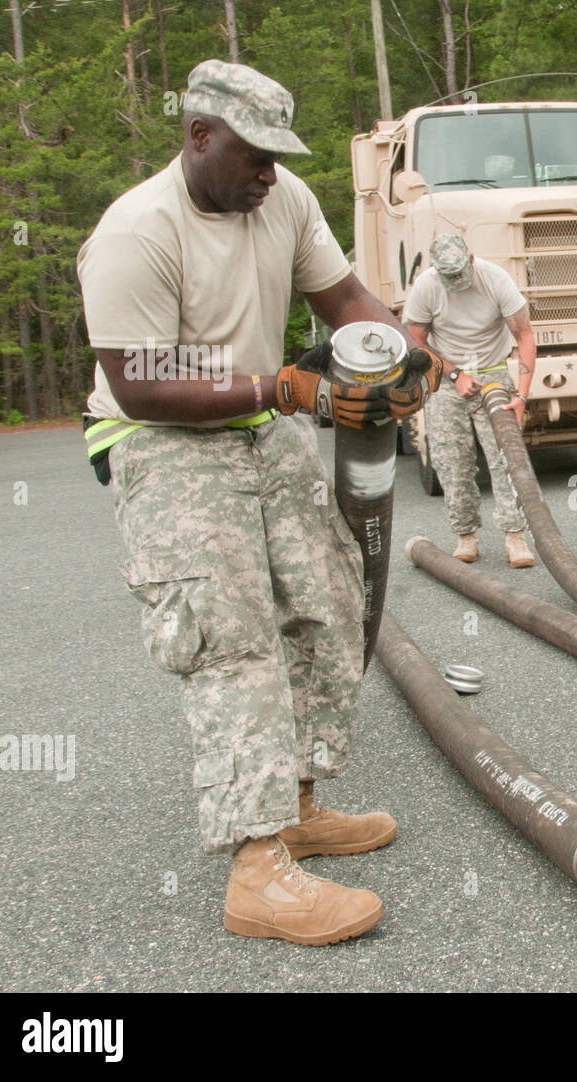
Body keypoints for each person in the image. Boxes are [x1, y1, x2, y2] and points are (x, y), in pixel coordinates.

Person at [78, 59, 432, 946]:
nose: (270, 172)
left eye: (281, 155)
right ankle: (256, 867)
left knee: (328, 599)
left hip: (261, 417)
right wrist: (289, 392)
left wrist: (403, 353)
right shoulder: (137, 231)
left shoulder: (283, 200)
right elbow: (142, 385)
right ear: (200, 136)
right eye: (254, 154)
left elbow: (343, 296)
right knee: (231, 632)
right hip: (162, 437)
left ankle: (300, 801)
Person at [406, 233, 538, 567]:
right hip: (446, 380)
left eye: (460, 272)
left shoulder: (495, 280)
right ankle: (466, 535)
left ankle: (515, 536)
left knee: (506, 458)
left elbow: (524, 335)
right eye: (448, 275)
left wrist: (521, 395)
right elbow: (415, 342)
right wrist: (454, 375)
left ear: (472, 259)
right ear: (437, 270)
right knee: (453, 462)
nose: (456, 281)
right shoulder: (426, 287)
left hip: (492, 375)